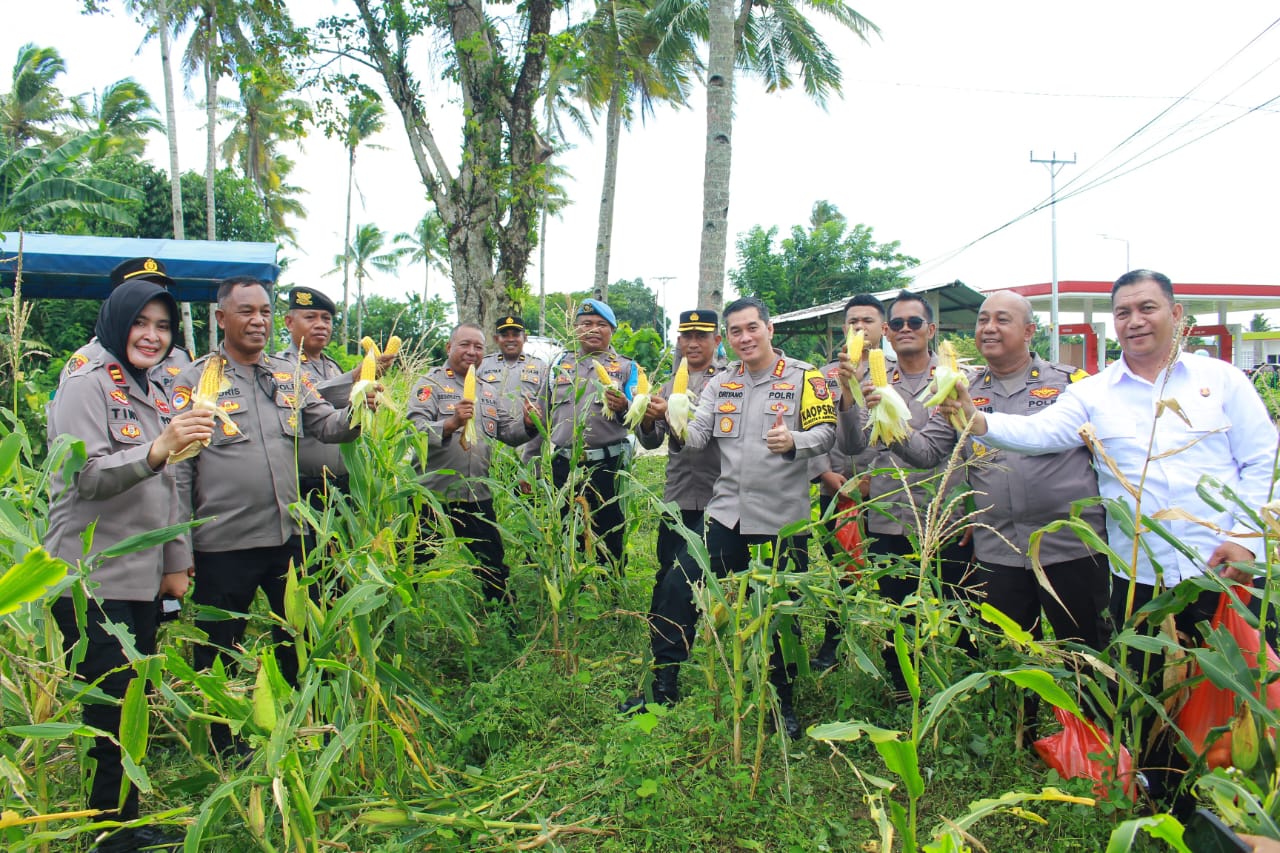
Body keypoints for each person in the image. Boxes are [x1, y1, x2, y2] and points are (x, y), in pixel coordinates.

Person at [944, 270, 1277, 800]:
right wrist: (979, 423)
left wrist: (1246, 539)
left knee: (1234, 685)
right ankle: (1161, 788)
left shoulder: (1223, 381)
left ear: (1176, 314)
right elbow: (1040, 433)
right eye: (1123, 312)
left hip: (1222, 568)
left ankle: (1244, 788)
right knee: (1145, 689)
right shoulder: (1095, 393)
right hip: (1136, 573)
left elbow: (1262, 459)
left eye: (1147, 308)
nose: (1135, 321)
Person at [45, 278, 215, 853]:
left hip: (143, 575)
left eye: (163, 326)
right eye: (141, 323)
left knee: (132, 701)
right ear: (118, 321)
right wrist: (156, 447)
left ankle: (127, 821)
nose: (152, 335)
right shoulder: (85, 383)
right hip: (92, 578)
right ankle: (108, 832)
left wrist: (176, 562)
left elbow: (169, 488)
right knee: (108, 708)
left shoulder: (158, 385)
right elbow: (87, 477)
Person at [170, 277, 369, 743]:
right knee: (219, 649)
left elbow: (327, 425)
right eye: (246, 312)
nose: (258, 321)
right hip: (224, 543)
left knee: (299, 637)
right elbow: (178, 473)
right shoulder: (196, 381)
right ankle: (222, 741)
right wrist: (179, 548)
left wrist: (362, 408)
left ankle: (306, 723)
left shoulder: (288, 374)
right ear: (221, 319)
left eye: (263, 311)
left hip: (289, 536)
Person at [888, 291, 1112, 652]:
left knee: (1085, 650)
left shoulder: (1073, 384)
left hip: (1069, 547)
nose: (988, 328)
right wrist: (888, 420)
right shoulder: (960, 390)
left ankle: (1090, 712)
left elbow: (1107, 456)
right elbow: (927, 452)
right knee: (1010, 656)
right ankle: (1020, 712)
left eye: (1001, 320)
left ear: (1029, 331)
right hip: (998, 551)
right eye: (982, 320)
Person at [678, 297, 862, 737]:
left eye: (751, 328)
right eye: (736, 331)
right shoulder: (722, 382)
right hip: (728, 516)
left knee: (781, 614)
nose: (744, 338)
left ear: (769, 328)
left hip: (782, 519)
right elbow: (697, 436)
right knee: (720, 601)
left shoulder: (804, 377)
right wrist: (669, 416)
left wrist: (793, 440)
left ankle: (783, 699)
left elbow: (826, 432)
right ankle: (735, 681)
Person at [868, 290, 975, 700]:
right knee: (897, 607)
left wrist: (974, 507)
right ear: (887, 334)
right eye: (897, 324)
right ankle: (902, 684)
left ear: (931, 330)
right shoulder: (875, 383)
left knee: (960, 603)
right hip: (888, 513)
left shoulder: (955, 380)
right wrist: (848, 400)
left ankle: (968, 679)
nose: (906, 330)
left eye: (915, 323)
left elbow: (944, 451)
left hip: (944, 516)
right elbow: (853, 444)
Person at [620, 309, 725, 711]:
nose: (692, 343)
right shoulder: (667, 382)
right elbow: (651, 444)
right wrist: (647, 421)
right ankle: (663, 665)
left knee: (684, 583)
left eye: (701, 335)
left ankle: (668, 680)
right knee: (666, 579)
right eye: (686, 336)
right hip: (678, 497)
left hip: (720, 502)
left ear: (717, 340)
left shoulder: (729, 382)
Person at [407, 323, 538, 605]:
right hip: (433, 495)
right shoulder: (430, 384)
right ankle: (399, 624)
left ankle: (504, 622)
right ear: (449, 348)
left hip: (477, 494)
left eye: (478, 347)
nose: (472, 352)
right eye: (464, 345)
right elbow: (414, 431)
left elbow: (509, 434)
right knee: (414, 564)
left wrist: (528, 424)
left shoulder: (488, 391)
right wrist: (451, 423)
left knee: (492, 565)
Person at [808, 293, 892, 671]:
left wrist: (877, 480)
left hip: (887, 496)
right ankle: (834, 643)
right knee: (840, 573)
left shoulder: (896, 371)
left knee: (889, 572)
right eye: (853, 322)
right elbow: (807, 429)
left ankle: (894, 651)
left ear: (883, 329)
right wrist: (825, 473)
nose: (859, 328)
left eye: (868, 321)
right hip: (833, 489)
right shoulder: (822, 377)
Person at [523, 299, 637, 574]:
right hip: (564, 466)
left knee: (609, 534)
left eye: (601, 325)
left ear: (612, 330)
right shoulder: (558, 365)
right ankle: (569, 591)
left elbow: (639, 420)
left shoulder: (625, 368)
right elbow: (542, 420)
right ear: (575, 328)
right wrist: (530, 467)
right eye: (586, 324)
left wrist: (624, 407)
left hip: (608, 467)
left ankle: (612, 594)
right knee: (563, 531)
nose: (593, 329)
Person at [61, 257, 192, 394]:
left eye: (158, 290)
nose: (150, 296)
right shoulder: (88, 361)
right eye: (139, 290)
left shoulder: (180, 359)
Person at [275, 286, 352, 498]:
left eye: (326, 319)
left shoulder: (333, 366)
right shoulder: (282, 367)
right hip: (305, 488)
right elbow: (313, 396)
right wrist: (355, 377)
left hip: (344, 484)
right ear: (289, 323)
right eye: (310, 317)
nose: (321, 325)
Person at [479, 315, 547, 406]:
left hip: (527, 420)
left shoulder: (540, 367)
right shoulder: (482, 365)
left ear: (525, 338)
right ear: (496, 339)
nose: (510, 339)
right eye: (504, 335)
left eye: (515, 335)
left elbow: (546, 402)